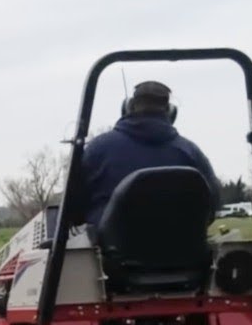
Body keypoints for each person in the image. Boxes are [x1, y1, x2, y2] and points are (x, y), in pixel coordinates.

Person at [80, 80, 220, 226]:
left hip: (111, 246)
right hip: (181, 246)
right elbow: (211, 206)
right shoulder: (191, 153)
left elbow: (74, 206)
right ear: (169, 111)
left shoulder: (97, 149)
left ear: (129, 106)